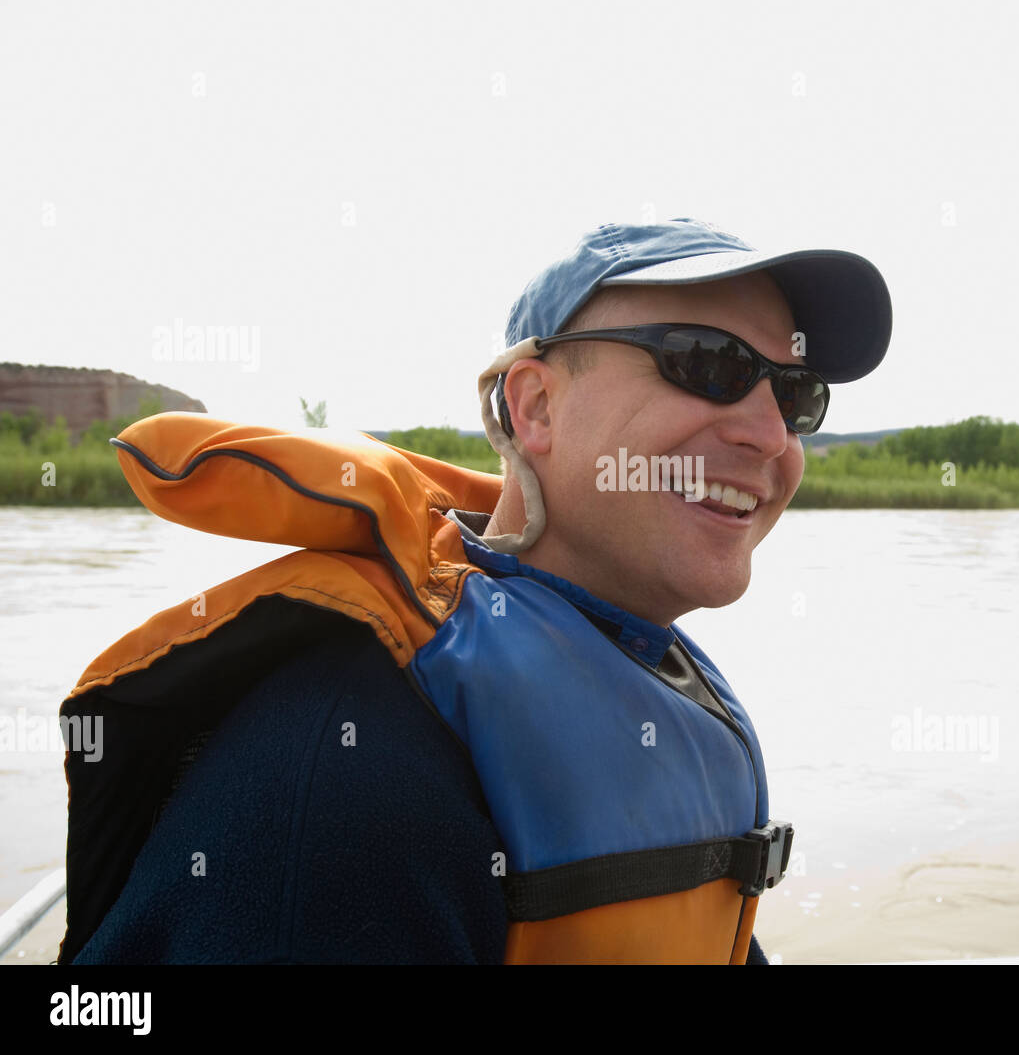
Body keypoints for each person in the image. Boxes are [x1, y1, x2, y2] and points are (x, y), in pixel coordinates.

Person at [57, 217, 892, 964]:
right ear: (534, 408)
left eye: (794, 394)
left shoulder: (650, 675)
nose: (770, 435)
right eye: (708, 364)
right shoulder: (355, 774)